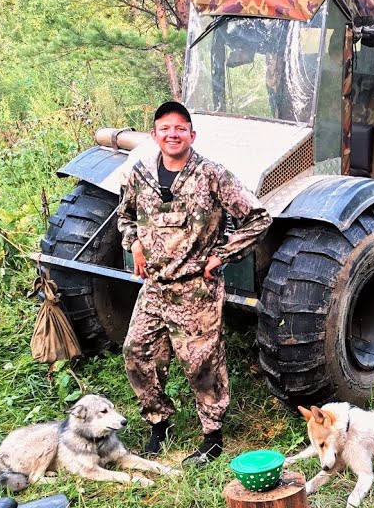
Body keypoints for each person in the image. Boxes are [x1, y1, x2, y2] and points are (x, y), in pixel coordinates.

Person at [117, 101, 272, 465]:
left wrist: (222, 255)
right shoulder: (140, 174)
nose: (173, 134)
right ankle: (159, 422)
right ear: (154, 134)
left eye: (180, 128)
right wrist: (135, 243)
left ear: (191, 134)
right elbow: (125, 216)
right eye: (165, 128)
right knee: (136, 353)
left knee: (202, 364)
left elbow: (258, 218)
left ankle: (212, 435)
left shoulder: (211, 174)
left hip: (195, 290)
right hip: (154, 287)